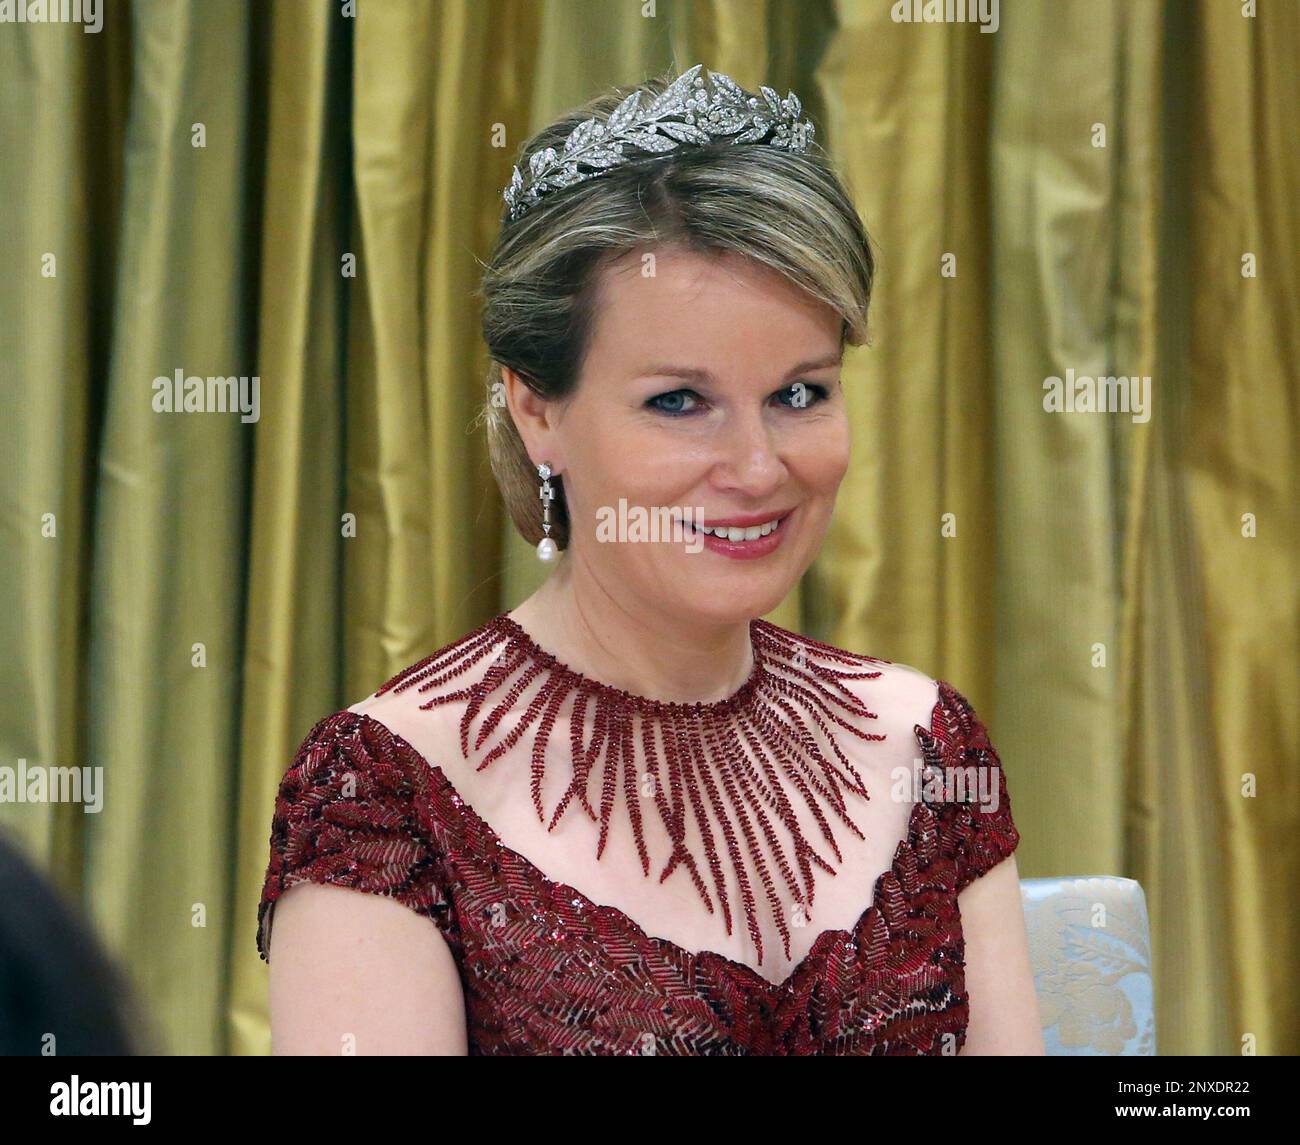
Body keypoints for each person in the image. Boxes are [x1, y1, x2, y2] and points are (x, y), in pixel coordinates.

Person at [255, 63, 1043, 1056]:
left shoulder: (927, 748)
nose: (758, 468)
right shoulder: (388, 791)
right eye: (679, 401)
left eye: (800, 393)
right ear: (536, 408)